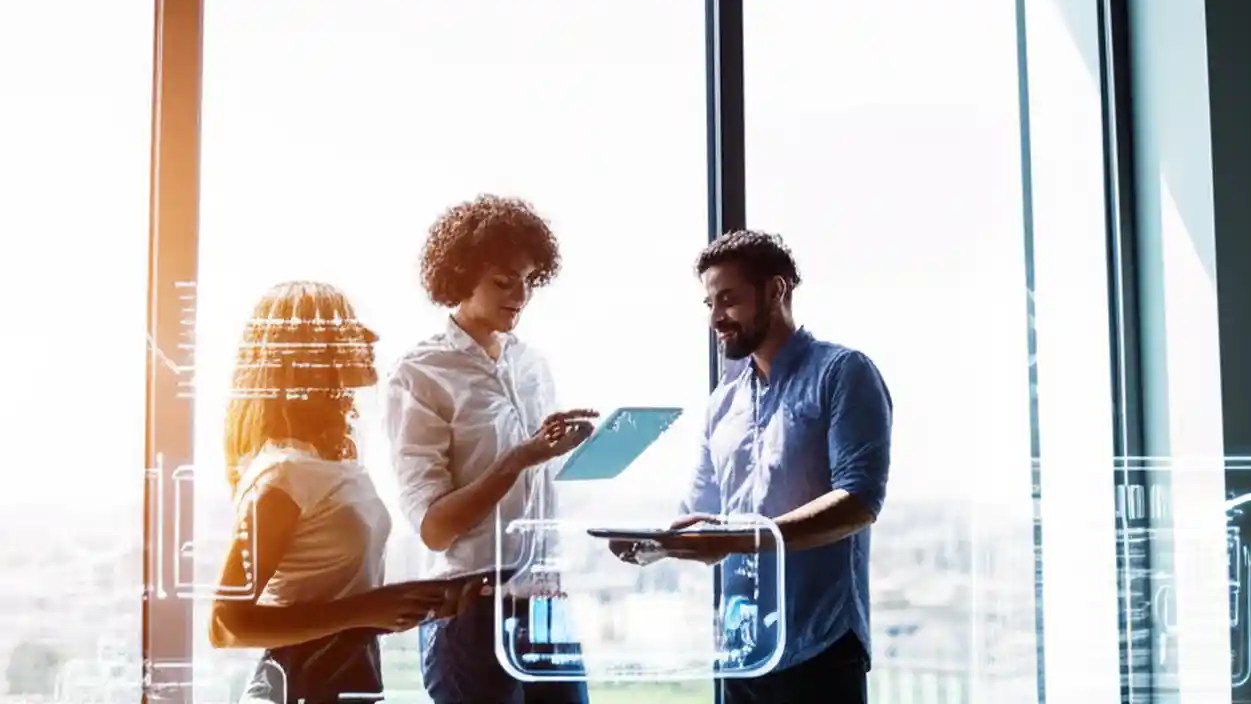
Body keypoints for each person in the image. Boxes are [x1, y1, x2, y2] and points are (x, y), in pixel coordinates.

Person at [615, 231, 893, 703]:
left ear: (776, 290)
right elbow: (700, 515)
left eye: (728, 300)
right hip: (740, 652)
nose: (715, 318)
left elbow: (860, 501)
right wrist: (656, 543)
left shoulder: (842, 373)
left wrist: (739, 539)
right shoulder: (722, 405)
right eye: (709, 304)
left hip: (820, 647)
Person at [210, 281, 480, 704]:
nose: (370, 337)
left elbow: (340, 600)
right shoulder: (283, 476)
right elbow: (225, 624)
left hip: (349, 677)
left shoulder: (335, 464)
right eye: (349, 329)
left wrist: (403, 605)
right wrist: (367, 609)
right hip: (297, 685)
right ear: (308, 356)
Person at [386, 194, 597, 704]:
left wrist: (572, 449)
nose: (521, 295)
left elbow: (539, 490)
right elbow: (435, 529)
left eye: (529, 280)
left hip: (544, 602)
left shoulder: (532, 365)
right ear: (461, 277)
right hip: (471, 612)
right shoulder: (421, 374)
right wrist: (519, 458)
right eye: (504, 281)